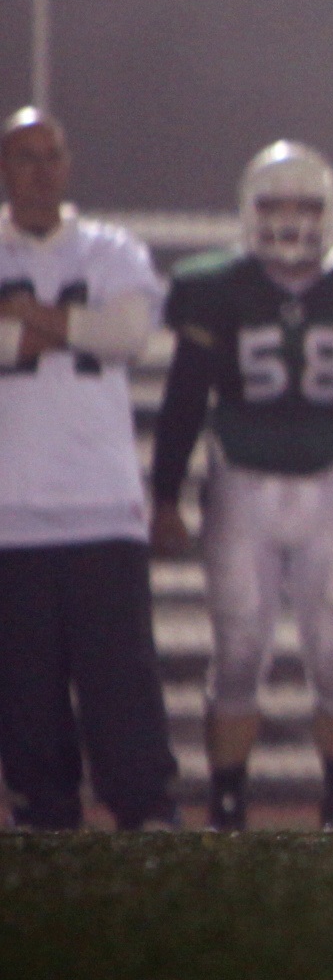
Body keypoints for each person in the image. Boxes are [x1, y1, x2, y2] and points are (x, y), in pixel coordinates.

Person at [150, 142, 333, 827]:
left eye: (305, 204)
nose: (291, 220)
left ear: (330, 211)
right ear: (248, 210)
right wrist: (164, 494)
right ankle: (229, 802)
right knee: (239, 649)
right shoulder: (216, 286)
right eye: (275, 205)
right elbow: (184, 397)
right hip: (241, 482)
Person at [0, 107, 177, 830]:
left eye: (51, 156)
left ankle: (143, 808)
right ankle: (45, 809)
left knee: (121, 680)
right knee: (24, 687)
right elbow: (98, 333)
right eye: (23, 157)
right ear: (5, 168)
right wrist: (72, 327)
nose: (39, 172)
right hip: (10, 510)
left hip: (103, 504)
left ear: (69, 165)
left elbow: (127, 334)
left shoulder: (111, 248)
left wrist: (26, 318)